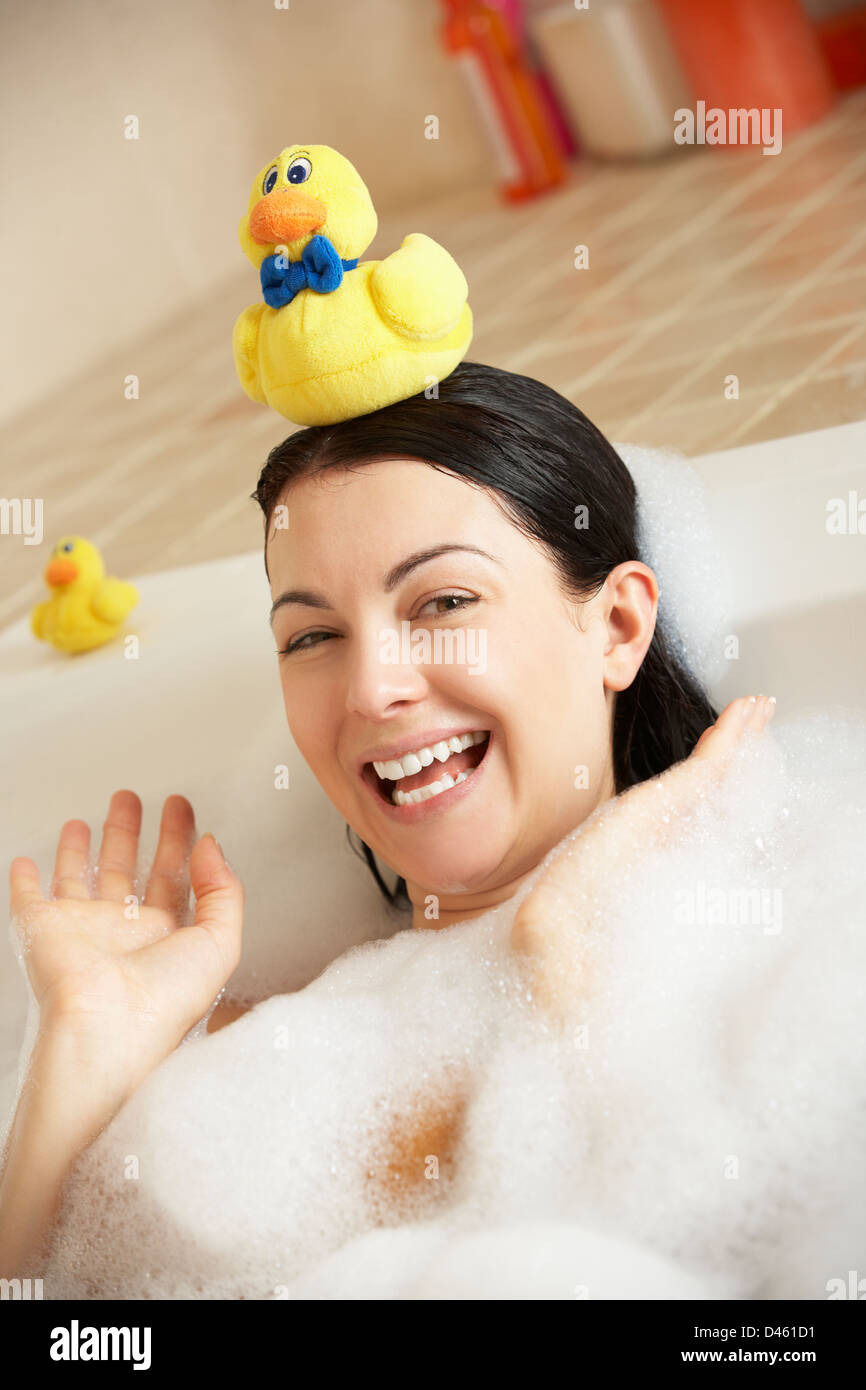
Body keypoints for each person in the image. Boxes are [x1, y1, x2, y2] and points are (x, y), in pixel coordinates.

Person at [0, 361, 776, 1281]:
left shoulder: (772, 973)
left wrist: (562, 963)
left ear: (614, 626)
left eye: (443, 602)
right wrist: (84, 1049)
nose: (372, 689)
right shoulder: (252, 1043)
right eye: (313, 636)